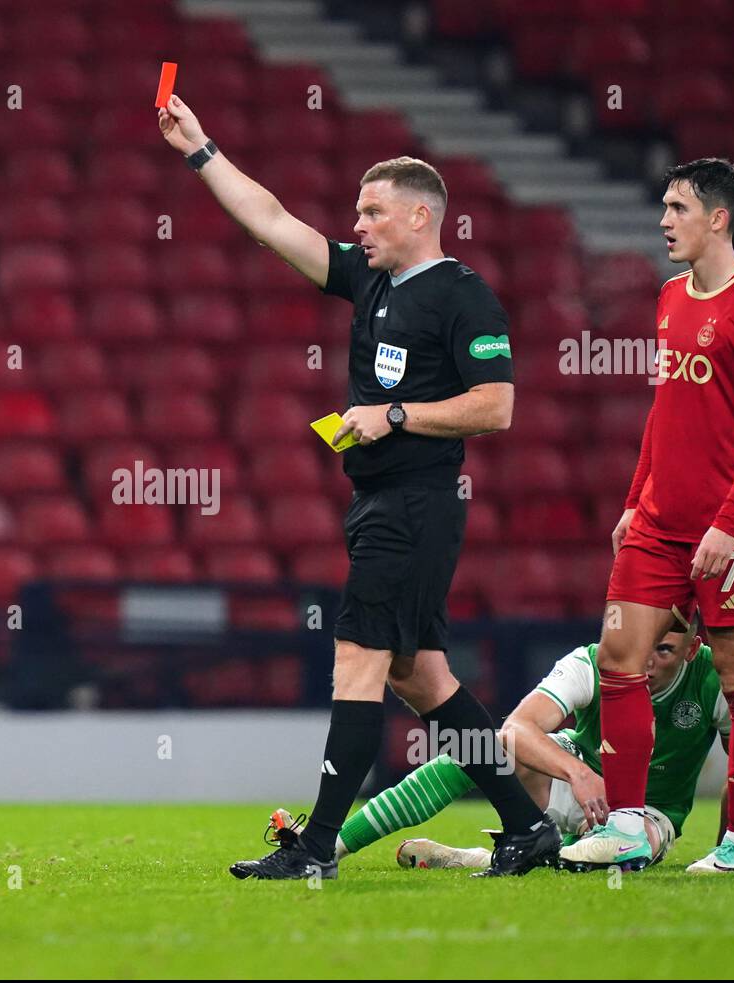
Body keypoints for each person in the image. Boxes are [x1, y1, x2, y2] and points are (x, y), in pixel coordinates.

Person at [157, 95, 559, 879]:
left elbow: (498, 406)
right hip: (380, 502)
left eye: (373, 212)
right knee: (423, 677)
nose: (360, 224)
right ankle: (524, 824)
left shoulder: (462, 295)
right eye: (356, 212)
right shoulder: (371, 283)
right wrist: (200, 149)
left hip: (415, 507)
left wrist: (394, 415)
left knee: (358, 660)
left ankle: (315, 848)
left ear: (419, 216)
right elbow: (271, 222)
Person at [560, 159, 734, 875]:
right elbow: (665, 414)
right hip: (659, 523)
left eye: (677, 207)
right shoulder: (667, 297)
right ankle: (628, 825)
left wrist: (729, 522)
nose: (664, 220)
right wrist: (635, 500)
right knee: (620, 663)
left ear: (718, 218)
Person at [327, 616, 727, 871]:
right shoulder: (592, 661)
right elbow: (518, 727)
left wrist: (729, 848)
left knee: (620, 858)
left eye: (663, 650)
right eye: (640, 644)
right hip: (578, 782)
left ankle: (478, 859)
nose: (644, 661)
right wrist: (580, 773)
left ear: (691, 650)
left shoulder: (715, 679)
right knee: (484, 750)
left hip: (649, 811)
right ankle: (336, 842)